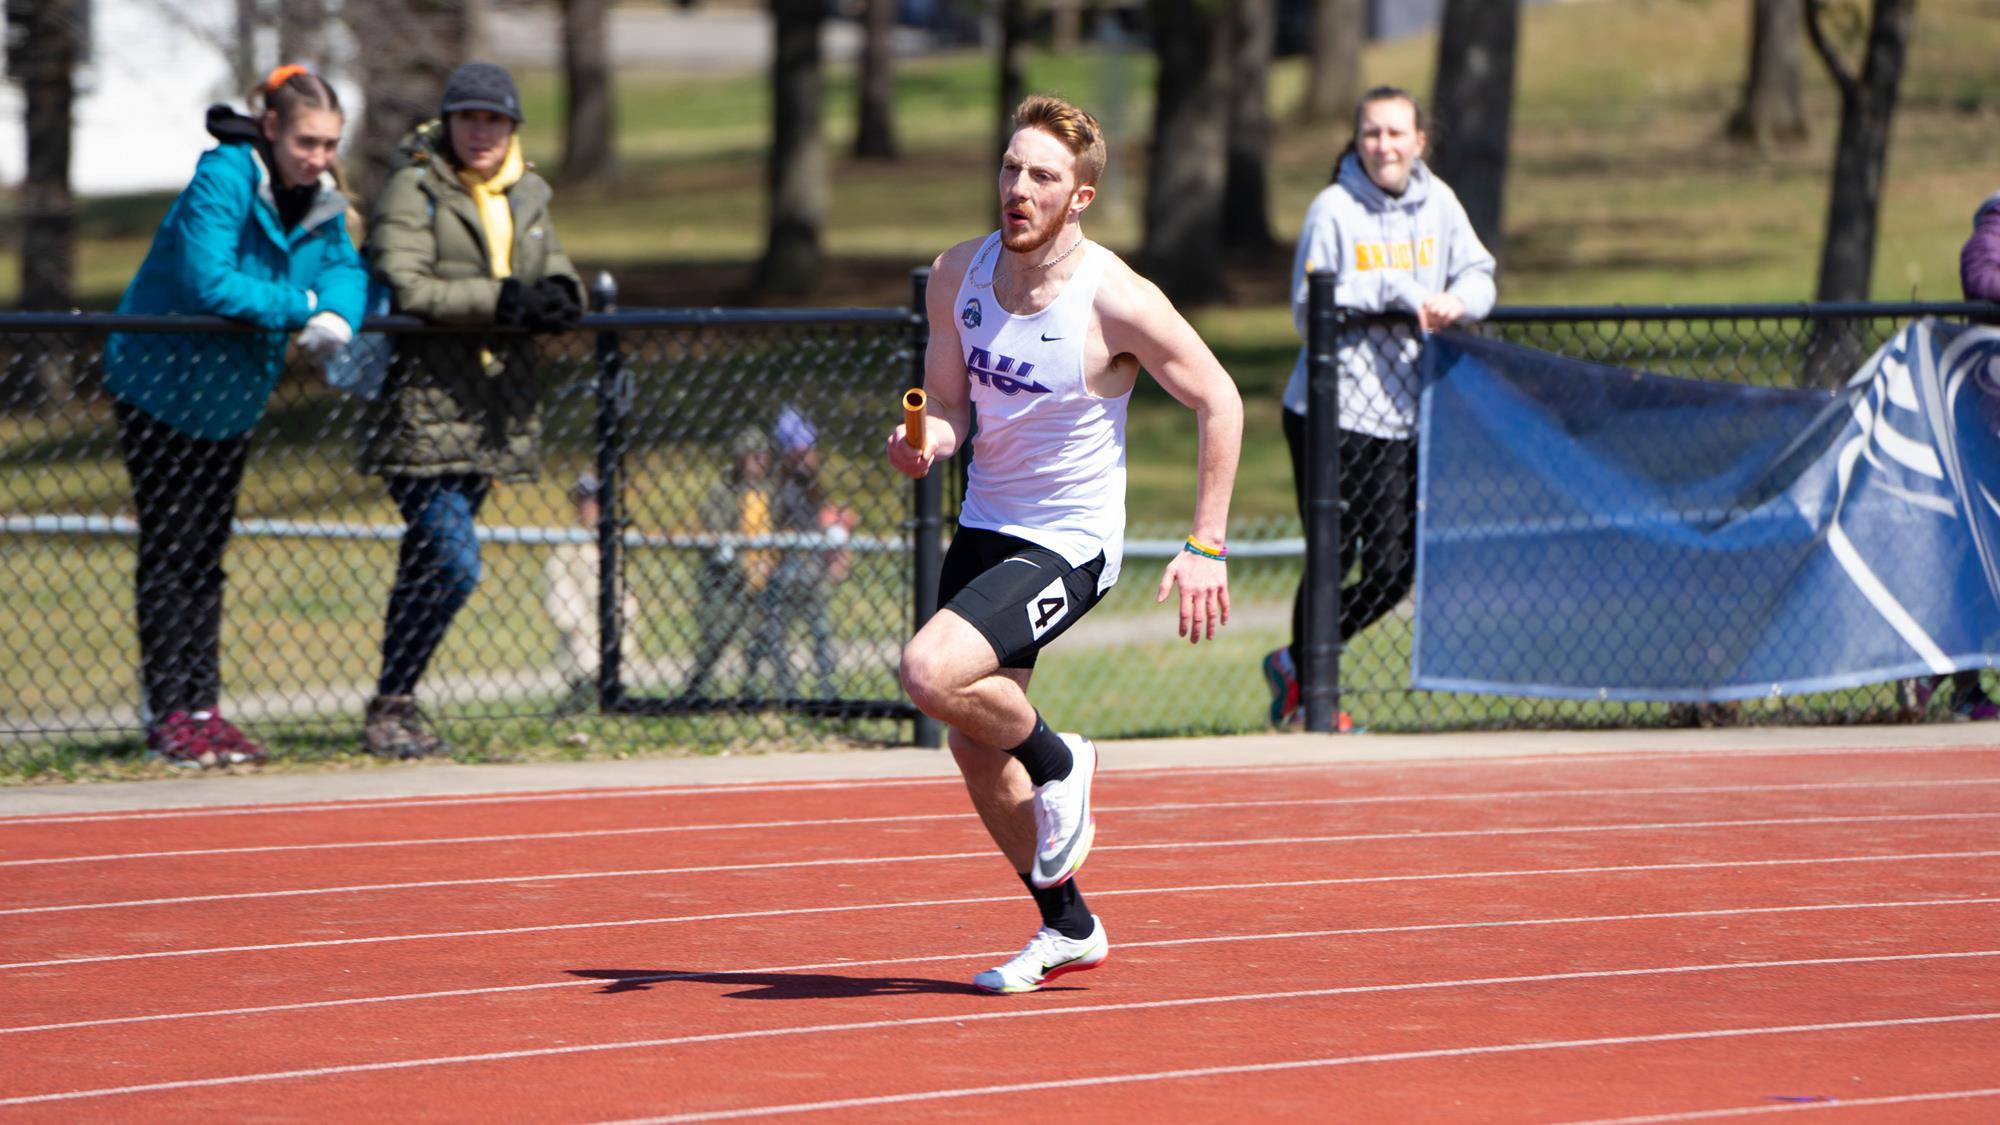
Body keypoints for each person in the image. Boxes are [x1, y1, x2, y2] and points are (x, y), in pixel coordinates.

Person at [888, 95, 1242, 994]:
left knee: (929, 673)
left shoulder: (1115, 299)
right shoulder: (955, 275)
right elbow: (951, 406)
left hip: (1072, 540)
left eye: (1042, 176)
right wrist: (925, 441)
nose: (1018, 188)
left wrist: (1207, 541)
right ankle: (1068, 924)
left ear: (1079, 198)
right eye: (1011, 168)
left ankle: (1061, 758)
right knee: (971, 742)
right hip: (986, 524)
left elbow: (1220, 399)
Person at [103, 64, 367, 766]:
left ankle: (202, 707)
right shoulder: (223, 177)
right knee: (172, 547)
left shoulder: (320, 198)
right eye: (307, 141)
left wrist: (341, 309)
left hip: (231, 398)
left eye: (330, 144)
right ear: (274, 129)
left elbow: (344, 264)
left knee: (207, 555)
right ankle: (168, 713)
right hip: (162, 384)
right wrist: (303, 310)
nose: (318, 157)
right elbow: (206, 279)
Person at [358, 61, 584, 758]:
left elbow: (556, 265)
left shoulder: (528, 191)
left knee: (427, 565)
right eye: (470, 117)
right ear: (448, 123)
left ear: (512, 126)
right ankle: (393, 698)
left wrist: (560, 295)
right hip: (422, 404)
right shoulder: (413, 186)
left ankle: (393, 703)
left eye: (495, 118)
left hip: (492, 409)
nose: (482, 131)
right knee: (453, 562)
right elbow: (407, 284)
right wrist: (505, 301)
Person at [1261, 86, 1497, 727]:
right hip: (1327, 413)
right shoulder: (1333, 209)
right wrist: (1396, 289)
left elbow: (1480, 273)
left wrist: (1459, 302)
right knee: (1333, 555)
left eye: (1396, 133)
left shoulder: (1440, 203)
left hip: (1399, 414)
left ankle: (1294, 662)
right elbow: (1309, 308)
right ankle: (1315, 695)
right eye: (1372, 133)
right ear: (1357, 139)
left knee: (1394, 569)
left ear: (1420, 141)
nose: (1384, 145)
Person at [1911, 190, 2000, 721]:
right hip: (1989, 421)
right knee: (1980, 555)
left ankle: (1950, 675)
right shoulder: (1995, 221)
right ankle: (1942, 672)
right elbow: (1982, 278)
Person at [684, 428, 780, 698]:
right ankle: (696, 689)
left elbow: (778, 527)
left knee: (761, 636)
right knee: (718, 635)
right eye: (752, 457)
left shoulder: (769, 490)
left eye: (763, 457)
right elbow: (716, 530)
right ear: (740, 458)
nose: (759, 463)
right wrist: (742, 561)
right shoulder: (723, 491)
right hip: (726, 576)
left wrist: (770, 561)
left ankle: (750, 690)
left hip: (763, 573)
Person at [542, 473, 638, 711]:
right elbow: (558, 583)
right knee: (585, 669)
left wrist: (627, 610)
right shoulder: (569, 541)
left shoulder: (614, 538)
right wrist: (569, 619)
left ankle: (612, 707)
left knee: (618, 667)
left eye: (594, 500)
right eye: (584, 501)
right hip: (582, 621)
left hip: (612, 618)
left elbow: (624, 583)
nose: (589, 507)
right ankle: (575, 709)